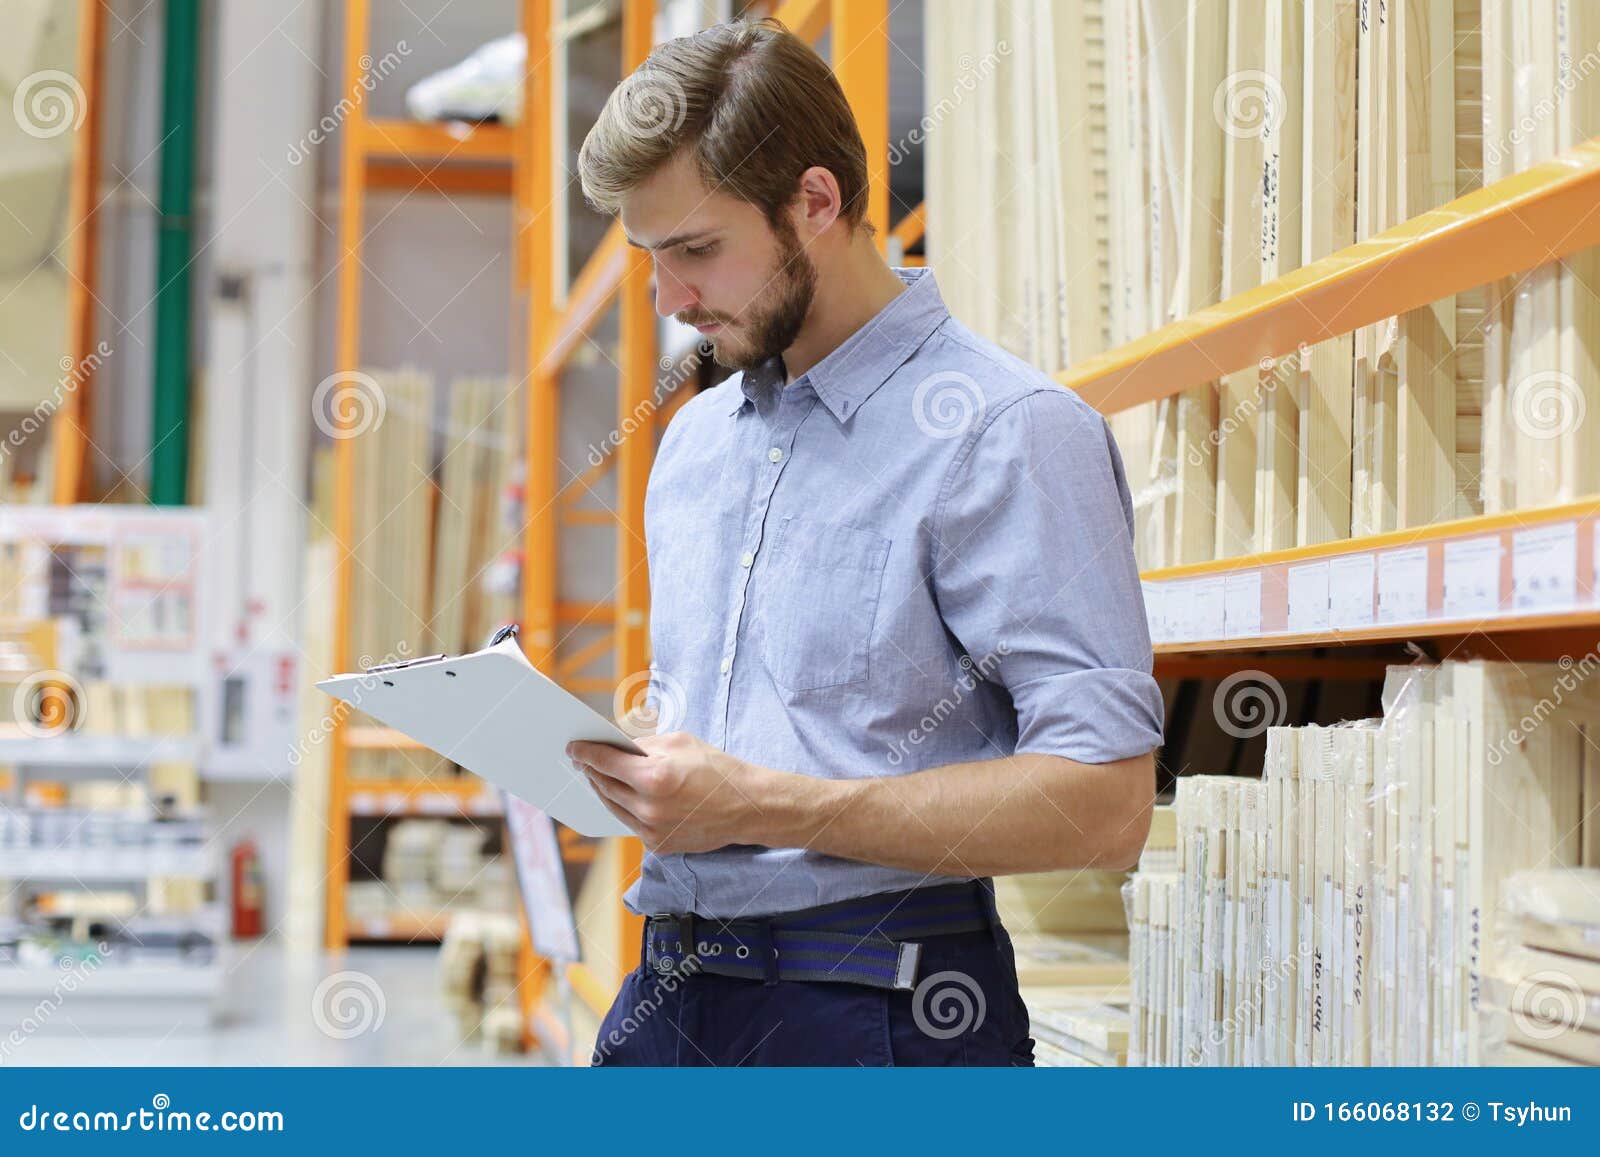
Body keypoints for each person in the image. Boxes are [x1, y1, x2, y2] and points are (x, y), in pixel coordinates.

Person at [567, 16, 1163, 1067]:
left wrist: (760, 801)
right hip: (669, 986)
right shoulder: (698, 441)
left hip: (877, 1003)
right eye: (650, 261)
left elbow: (1102, 803)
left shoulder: (1005, 430)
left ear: (816, 200)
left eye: (696, 251)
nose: (670, 301)